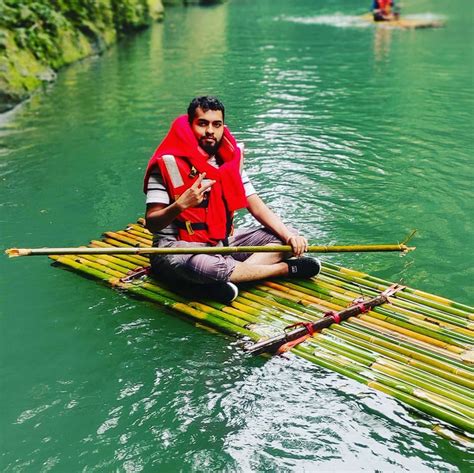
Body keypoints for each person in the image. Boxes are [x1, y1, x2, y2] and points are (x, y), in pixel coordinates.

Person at [144, 96, 320, 303]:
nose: (210, 130)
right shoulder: (167, 164)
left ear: (223, 127)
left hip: (220, 243)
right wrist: (180, 205)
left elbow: (256, 206)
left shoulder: (228, 161)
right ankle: (282, 270)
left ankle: (230, 277)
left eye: (216, 124)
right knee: (206, 266)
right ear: (190, 125)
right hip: (175, 248)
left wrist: (289, 237)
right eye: (203, 123)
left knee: (287, 235)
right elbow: (152, 223)